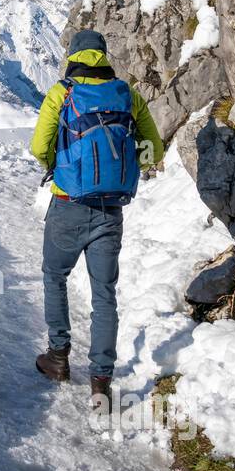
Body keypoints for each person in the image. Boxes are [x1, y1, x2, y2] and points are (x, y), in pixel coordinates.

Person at [30, 29, 164, 402]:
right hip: (111, 210)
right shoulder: (127, 94)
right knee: (104, 293)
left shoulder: (63, 92)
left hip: (68, 205)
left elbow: (38, 146)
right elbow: (154, 148)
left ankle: (58, 357)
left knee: (54, 275)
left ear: (73, 55)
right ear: (104, 56)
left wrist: (63, 168)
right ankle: (101, 382)